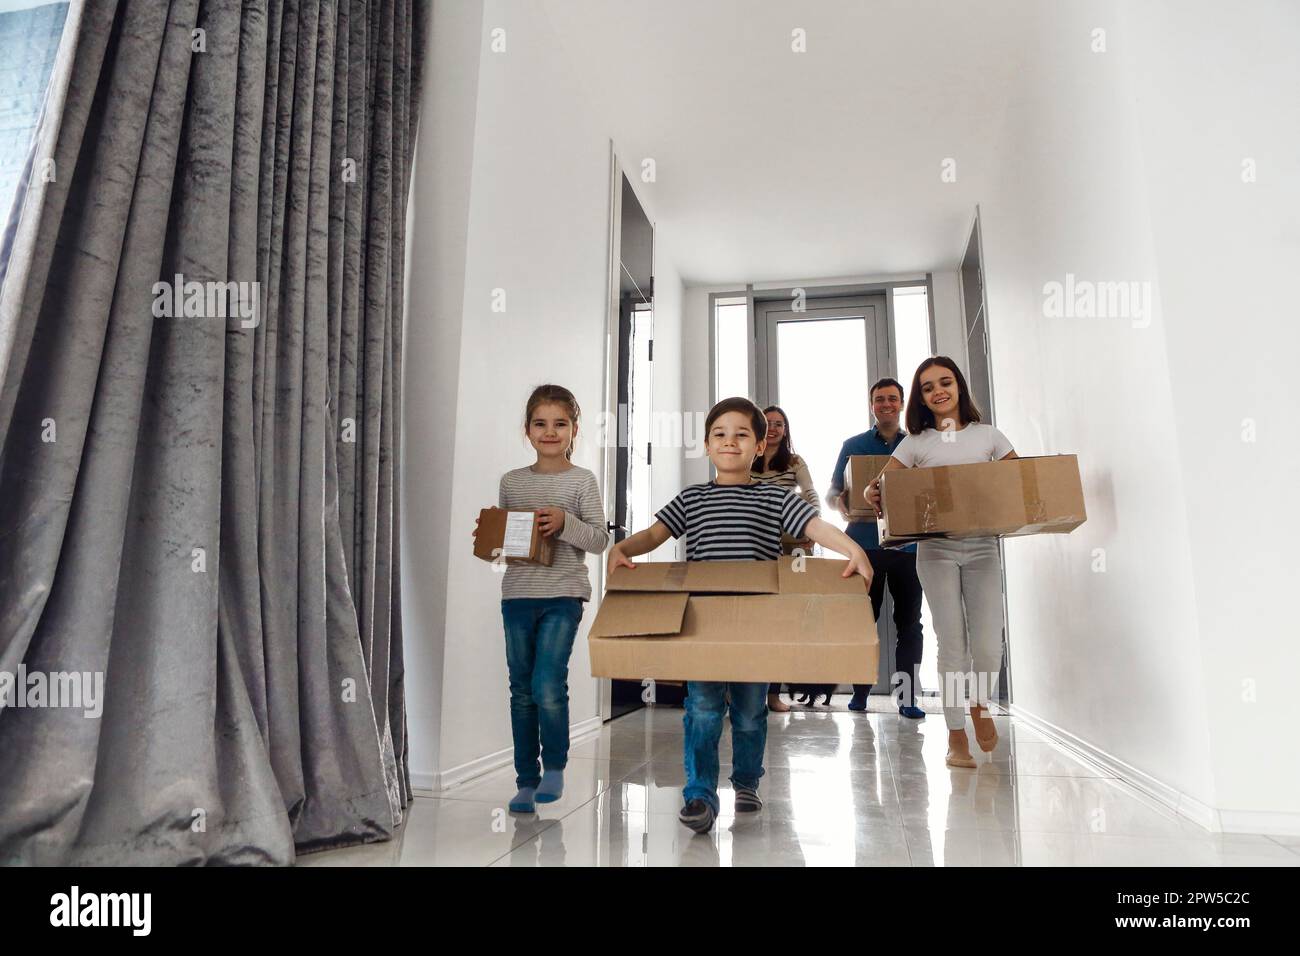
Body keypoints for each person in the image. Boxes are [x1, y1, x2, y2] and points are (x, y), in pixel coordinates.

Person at [608, 397, 872, 834]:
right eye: (720, 434)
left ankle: (747, 781)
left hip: (757, 622)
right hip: (701, 622)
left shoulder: (775, 497)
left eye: (741, 434)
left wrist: (854, 549)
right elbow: (655, 534)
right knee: (703, 709)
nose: (730, 442)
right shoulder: (691, 499)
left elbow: (815, 528)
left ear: (759, 445)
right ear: (707, 445)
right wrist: (623, 548)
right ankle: (699, 794)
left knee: (750, 711)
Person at [866, 357, 1016, 769]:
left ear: (959, 387)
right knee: (953, 644)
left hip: (983, 546)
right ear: (923, 398)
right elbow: (880, 485)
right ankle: (954, 736)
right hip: (936, 551)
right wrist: (870, 492)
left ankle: (979, 704)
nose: (938, 392)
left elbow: (1018, 483)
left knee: (987, 645)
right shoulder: (915, 442)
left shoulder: (990, 436)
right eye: (929, 387)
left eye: (945, 383)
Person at [474, 384, 610, 813]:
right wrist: (492, 542)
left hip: (563, 596)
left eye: (560, 424)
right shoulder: (511, 482)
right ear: (528, 430)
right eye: (540, 423)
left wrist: (566, 522)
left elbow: (600, 540)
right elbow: (507, 543)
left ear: (574, 430)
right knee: (521, 689)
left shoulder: (582, 481)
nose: (549, 432)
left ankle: (554, 767)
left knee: (547, 683)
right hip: (516, 596)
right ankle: (525, 781)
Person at [827, 378, 926, 719]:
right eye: (879, 399)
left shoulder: (916, 444)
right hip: (864, 546)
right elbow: (832, 494)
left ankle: (908, 698)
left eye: (892, 399)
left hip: (907, 548)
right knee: (863, 622)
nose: (886, 404)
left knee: (910, 623)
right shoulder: (852, 445)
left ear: (901, 404)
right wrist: (839, 503)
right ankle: (860, 694)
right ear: (872, 405)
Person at [750, 404, 821, 712]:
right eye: (769, 423)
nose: (775, 428)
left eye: (780, 424)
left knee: (782, 618)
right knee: (755, 616)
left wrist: (812, 525)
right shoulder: (747, 459)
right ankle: (743, 691)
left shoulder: (793, 461)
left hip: (793, 544)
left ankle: (772, 694)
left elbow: (811, 493)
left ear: (786, 429)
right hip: (754, 542)